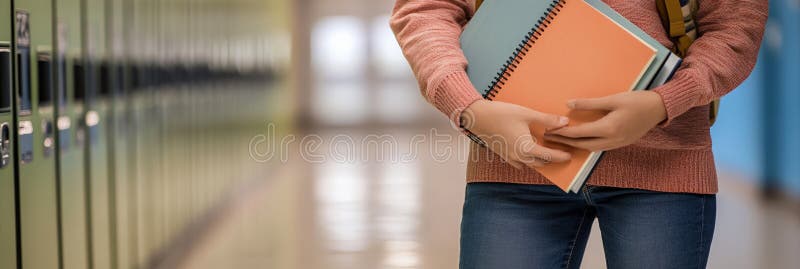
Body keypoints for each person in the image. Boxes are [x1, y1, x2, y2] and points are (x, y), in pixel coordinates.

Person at [389, 0, 768, 268]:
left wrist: (663, 102)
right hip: (512, 164)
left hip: (664, 164)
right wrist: (469, 107)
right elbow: (425, 8)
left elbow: (736, 25)